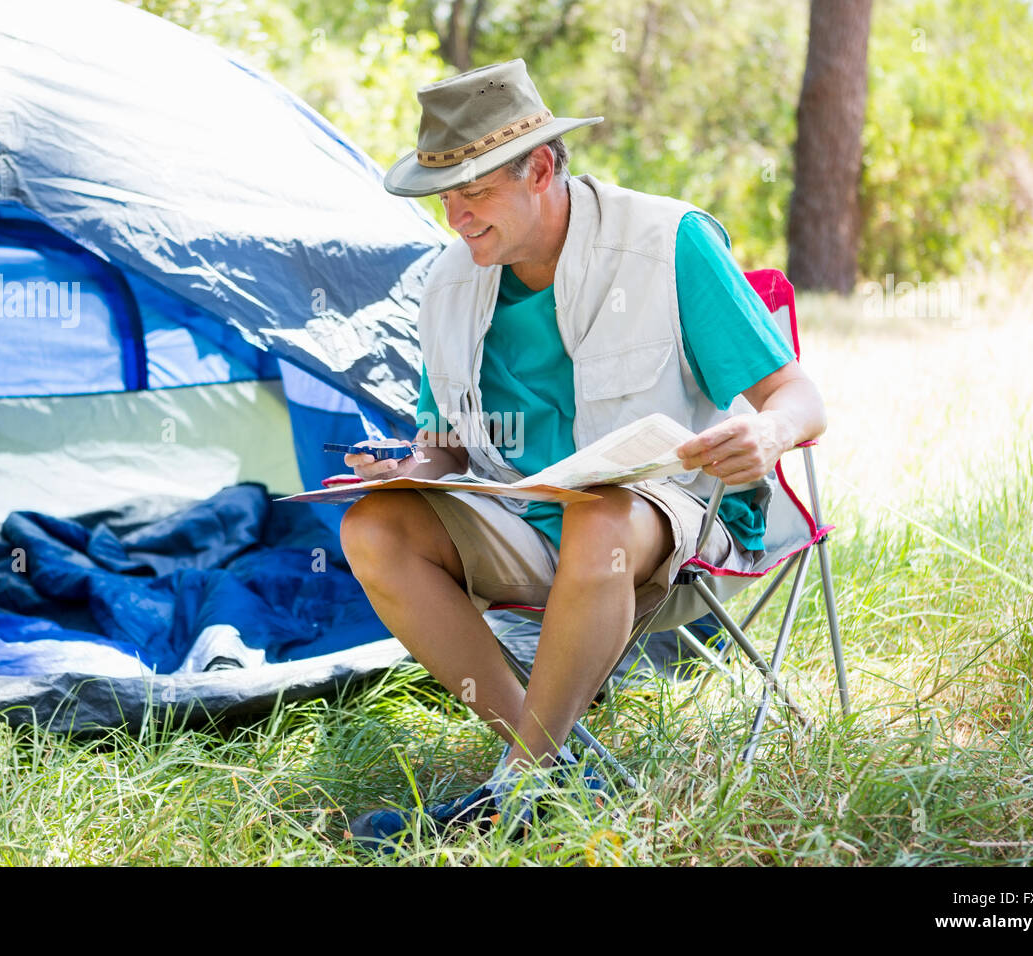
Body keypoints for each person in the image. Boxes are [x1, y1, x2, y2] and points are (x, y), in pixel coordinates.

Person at [341, 58, 826, 848]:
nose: (456, 219)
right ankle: (543, 762)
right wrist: (410, 466)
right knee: (373, 527)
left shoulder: (670, 242)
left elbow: (799, 398)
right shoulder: (448, 283)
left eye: (474, 191)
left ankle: (514, 790)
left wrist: (766, 436)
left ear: (540, 166)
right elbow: (450, 446)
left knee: (600, 514)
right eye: (444, 198)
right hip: (524, 520)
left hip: (673, 524)